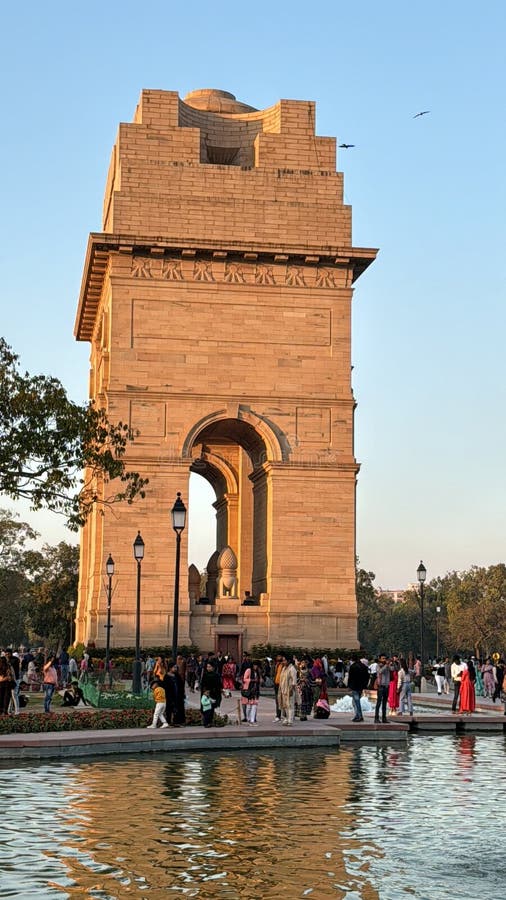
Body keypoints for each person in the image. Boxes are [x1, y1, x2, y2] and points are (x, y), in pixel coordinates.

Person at [347, 653, 369, 722]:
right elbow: (367, 676)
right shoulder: (363, 666)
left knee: (356, 701)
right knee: (355, 701)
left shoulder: (353, 666)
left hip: (355, 686)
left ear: (352, 660)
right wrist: (365, 685)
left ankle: (360, 716)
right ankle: (357, 715)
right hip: (361, 686)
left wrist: (349, 686)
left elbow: (350, 677)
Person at [278, 656, 298, 726]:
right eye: (283, 661)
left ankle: (290, 720)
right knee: (285, 705)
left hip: (289, 689)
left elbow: (294, 681)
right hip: (283, 690)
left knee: (290, 705)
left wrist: (291, 689)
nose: (283, 662)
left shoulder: (292, 669)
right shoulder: (284, 668)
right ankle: (286, 719)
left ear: (289, 661)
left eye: (284, 660)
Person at [242, 660, 261, 725]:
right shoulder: (248, 670)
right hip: (249, 689)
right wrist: (252, 680)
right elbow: (244, 679)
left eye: (257, 665)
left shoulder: (257, 672)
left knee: (254, 705)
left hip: (255, 690)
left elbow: (259, 680)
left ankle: (252, 720)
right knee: (249, 706)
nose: (256, 667)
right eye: (255, 665)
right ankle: (248, 718)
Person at [374, 654, 390, 724]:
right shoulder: (378, 666)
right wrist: (386, 665)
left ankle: (384, 718)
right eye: (383, 658)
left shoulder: (387, 665)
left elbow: (393, 669)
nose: (384, 659)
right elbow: (380, 672)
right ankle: (376, 718)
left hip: (386, 686)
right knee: (379, 702)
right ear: (380, 659)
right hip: (380, 686)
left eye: (385, 658)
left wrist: (394, 663)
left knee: (385, 703)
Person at [272, 656, 283, 722]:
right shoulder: (277, 665)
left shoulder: (283, 666)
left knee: (281, 701)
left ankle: (282, 715)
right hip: (276, 684)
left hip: (281, 684)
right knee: (277, 700)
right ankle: (278, 715)